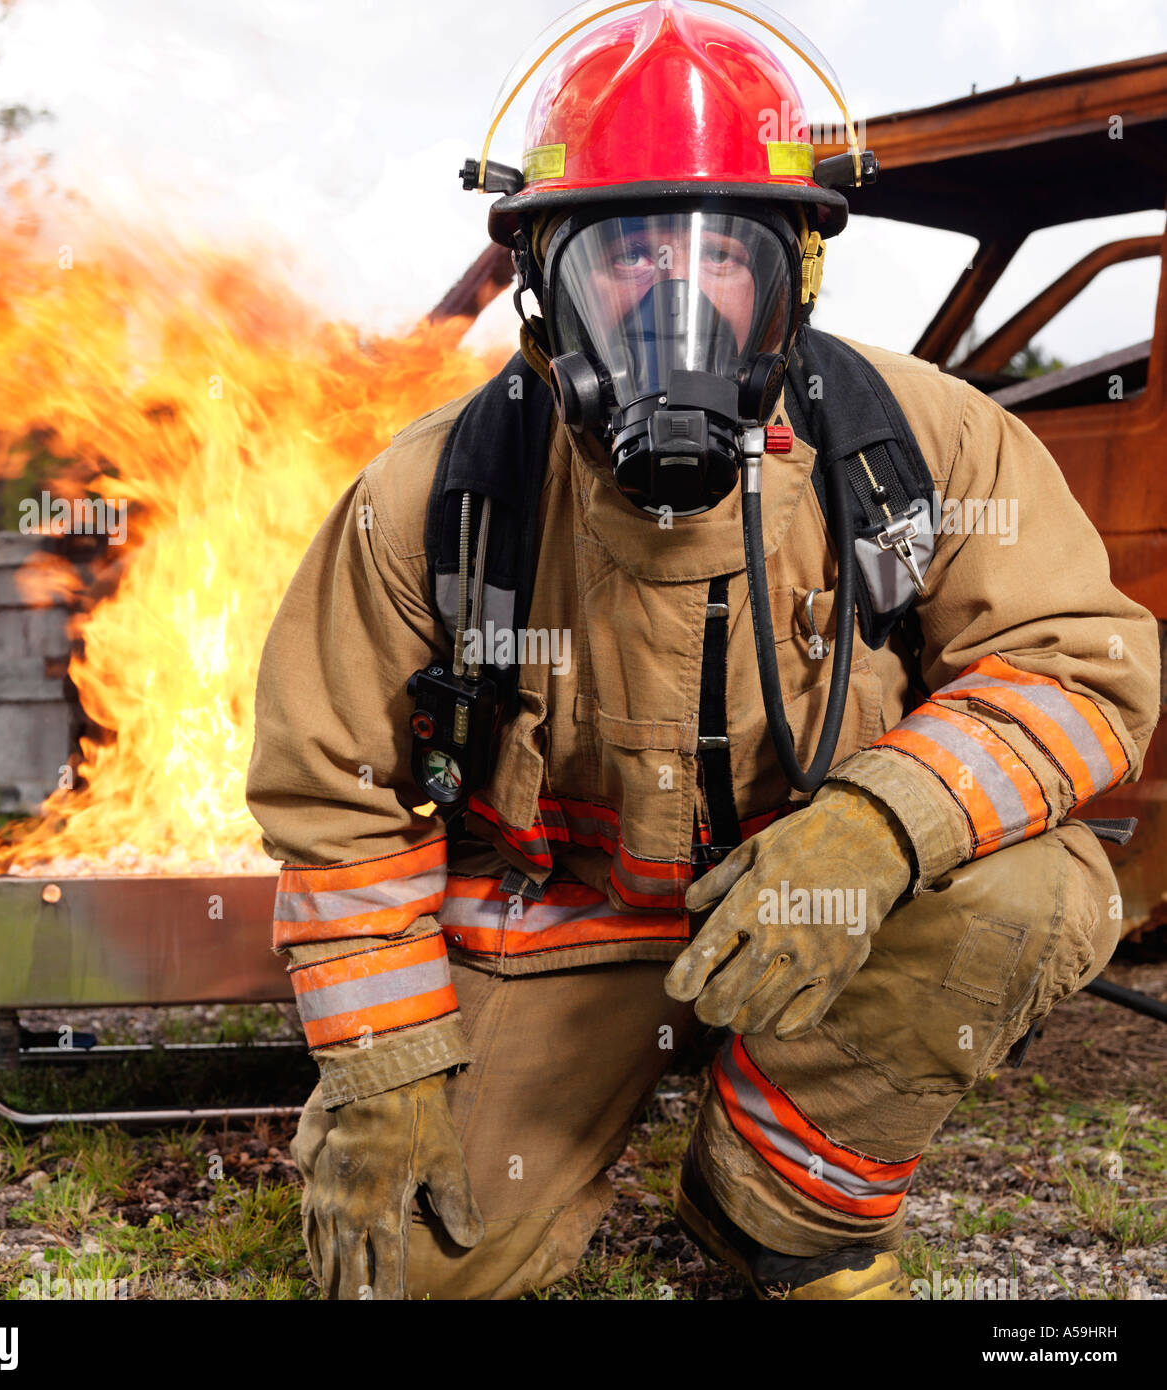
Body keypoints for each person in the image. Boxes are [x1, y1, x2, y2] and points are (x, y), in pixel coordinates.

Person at [245, 0, 1160, 1300]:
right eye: (621, 252)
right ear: (540, 284)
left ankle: (772, 1211)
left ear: (793, 277)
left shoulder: (922, 447)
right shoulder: (438, 495)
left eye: (719, 250)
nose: (673, 293)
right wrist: (386, 1063)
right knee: (413, 1272)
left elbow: (1077, 669)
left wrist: (879, 828)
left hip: (824, 905)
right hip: (555, 925)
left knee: (1034, 888)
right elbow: (334, 800)